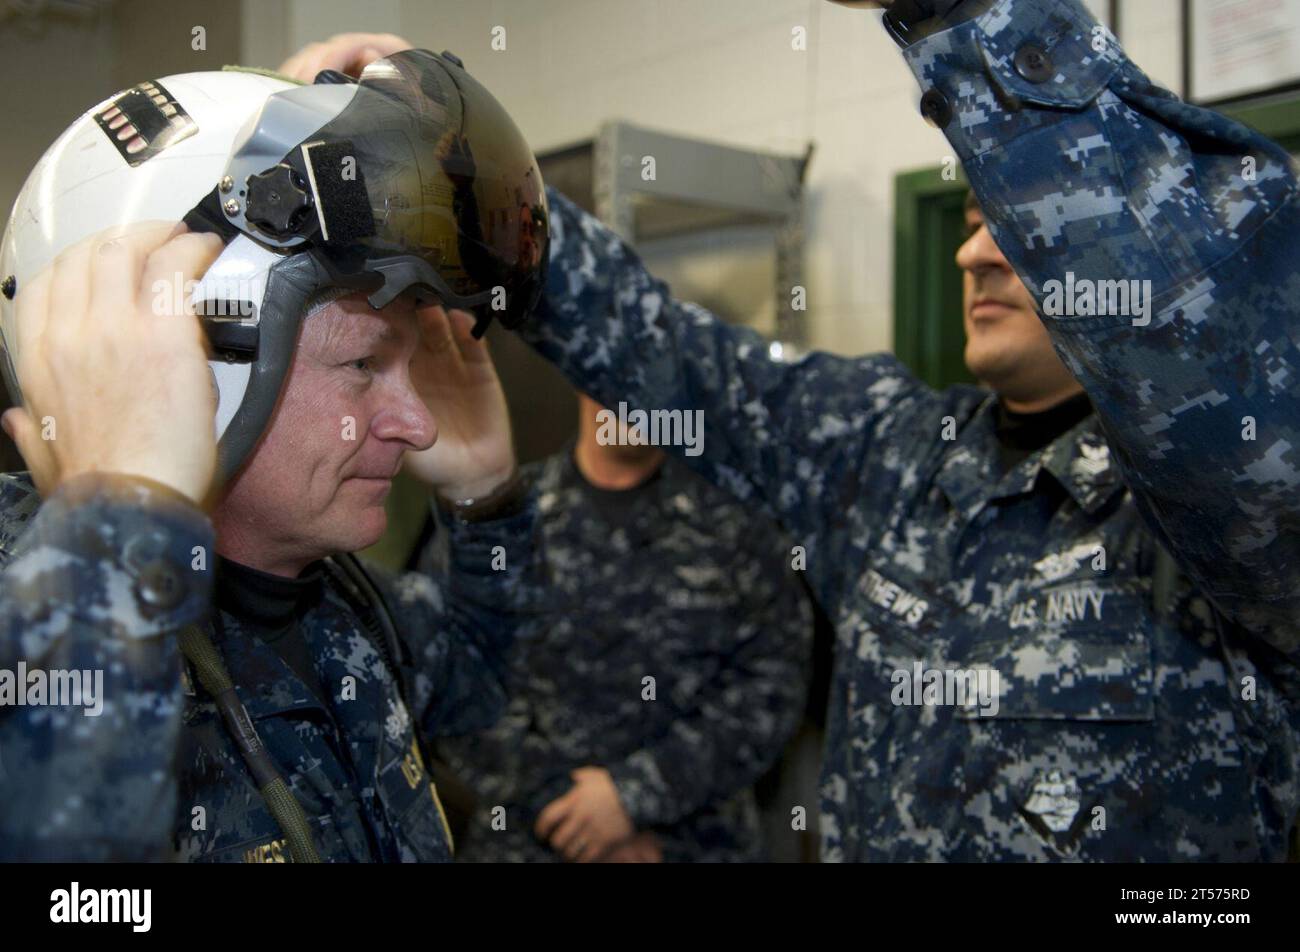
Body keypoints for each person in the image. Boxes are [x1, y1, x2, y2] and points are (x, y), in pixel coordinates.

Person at [282, 0, 1300, 861]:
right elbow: (675, 357)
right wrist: (468, 172)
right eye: (967, 223)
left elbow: (1212, 359)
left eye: (1016, 223)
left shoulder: (1230, 525)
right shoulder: (890, 451)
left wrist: (963, 14)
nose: (975, 258)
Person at [0, 50, 547, 862]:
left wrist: (485, 497)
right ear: (187, 354)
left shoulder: (328, 597)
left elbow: (479, 679)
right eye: (365, 365)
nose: (418, 424)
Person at [433, 393, 811, 862]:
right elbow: (451, 676)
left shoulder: (739, 524)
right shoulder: (500, 522)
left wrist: (633, 795)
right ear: (580, 373)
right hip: (529, 840)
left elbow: (777, 679)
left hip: (696, 843)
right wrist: (575, 809)